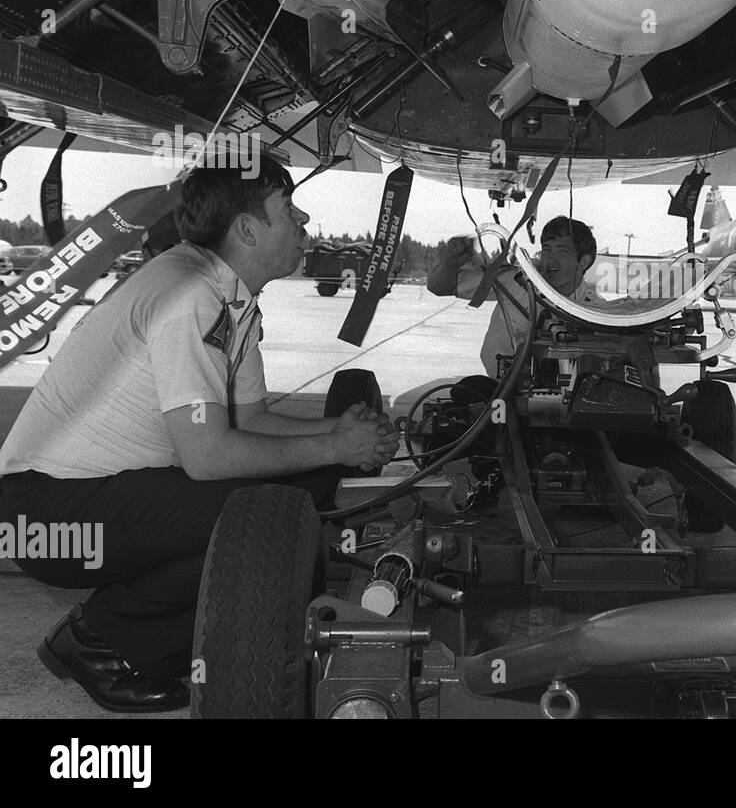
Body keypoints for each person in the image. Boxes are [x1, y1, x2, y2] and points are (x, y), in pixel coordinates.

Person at [0, 159, 399, 713]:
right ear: (247, 229)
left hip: (81, 501)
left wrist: (343, 432)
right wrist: (336, 445)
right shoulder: (189, 295)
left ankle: (138, 635)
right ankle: (101, 639)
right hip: (41, 520)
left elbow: (250, 421)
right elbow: (209, 457)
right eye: (288, 208)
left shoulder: (225, 294)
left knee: (309, 480)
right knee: (266, 514)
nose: (303, 218)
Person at [427, 216, 601, 376]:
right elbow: (438, 286)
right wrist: (451, 263)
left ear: (583, 261)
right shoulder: (515, 280)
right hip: (500, 392)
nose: (551, 259)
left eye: (562, 252)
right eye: (547, 250)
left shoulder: (598, 313)